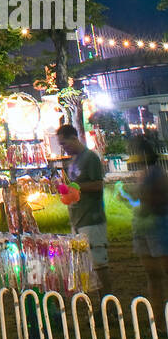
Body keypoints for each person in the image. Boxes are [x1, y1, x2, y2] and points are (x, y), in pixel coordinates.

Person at [55, 122, 111, 297]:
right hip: (78, 219)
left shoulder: (90, 158)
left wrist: (74, 187)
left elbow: (98, 184)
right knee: (86, 265)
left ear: (74, 138)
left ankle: (108, 304)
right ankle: (100, 304)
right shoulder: (73, 161)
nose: (63, 148)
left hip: (92, 219)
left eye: (64, 144)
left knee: (99, 264)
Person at [129, 139, 168, 327]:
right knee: (152, 274)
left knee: (159, 273)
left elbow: (160, 197)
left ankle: (161, 316)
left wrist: (145, 199)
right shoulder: (146, 174)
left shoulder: (157, 174)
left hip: (158, 226)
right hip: (145, 227)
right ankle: (159, 317)